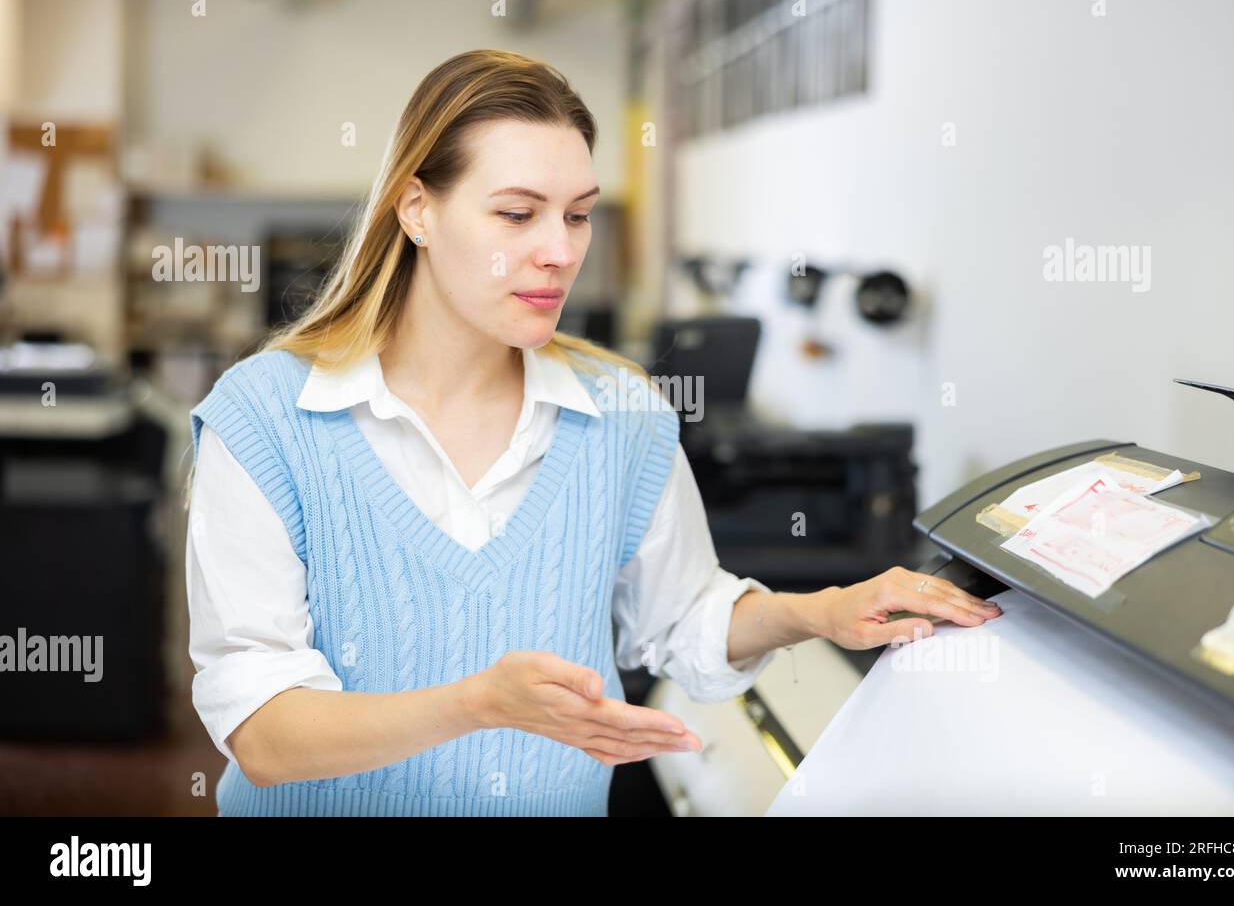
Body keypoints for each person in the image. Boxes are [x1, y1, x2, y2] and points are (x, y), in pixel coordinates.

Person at [185, 48, 1000, 817]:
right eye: (516, 213)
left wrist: (820, 611)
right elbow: (263, 729)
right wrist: (476, 704)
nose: (559, 252)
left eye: (577, 216)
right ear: (417, 209)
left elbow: (681, 619)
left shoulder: (624, 416)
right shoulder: (267, 418)